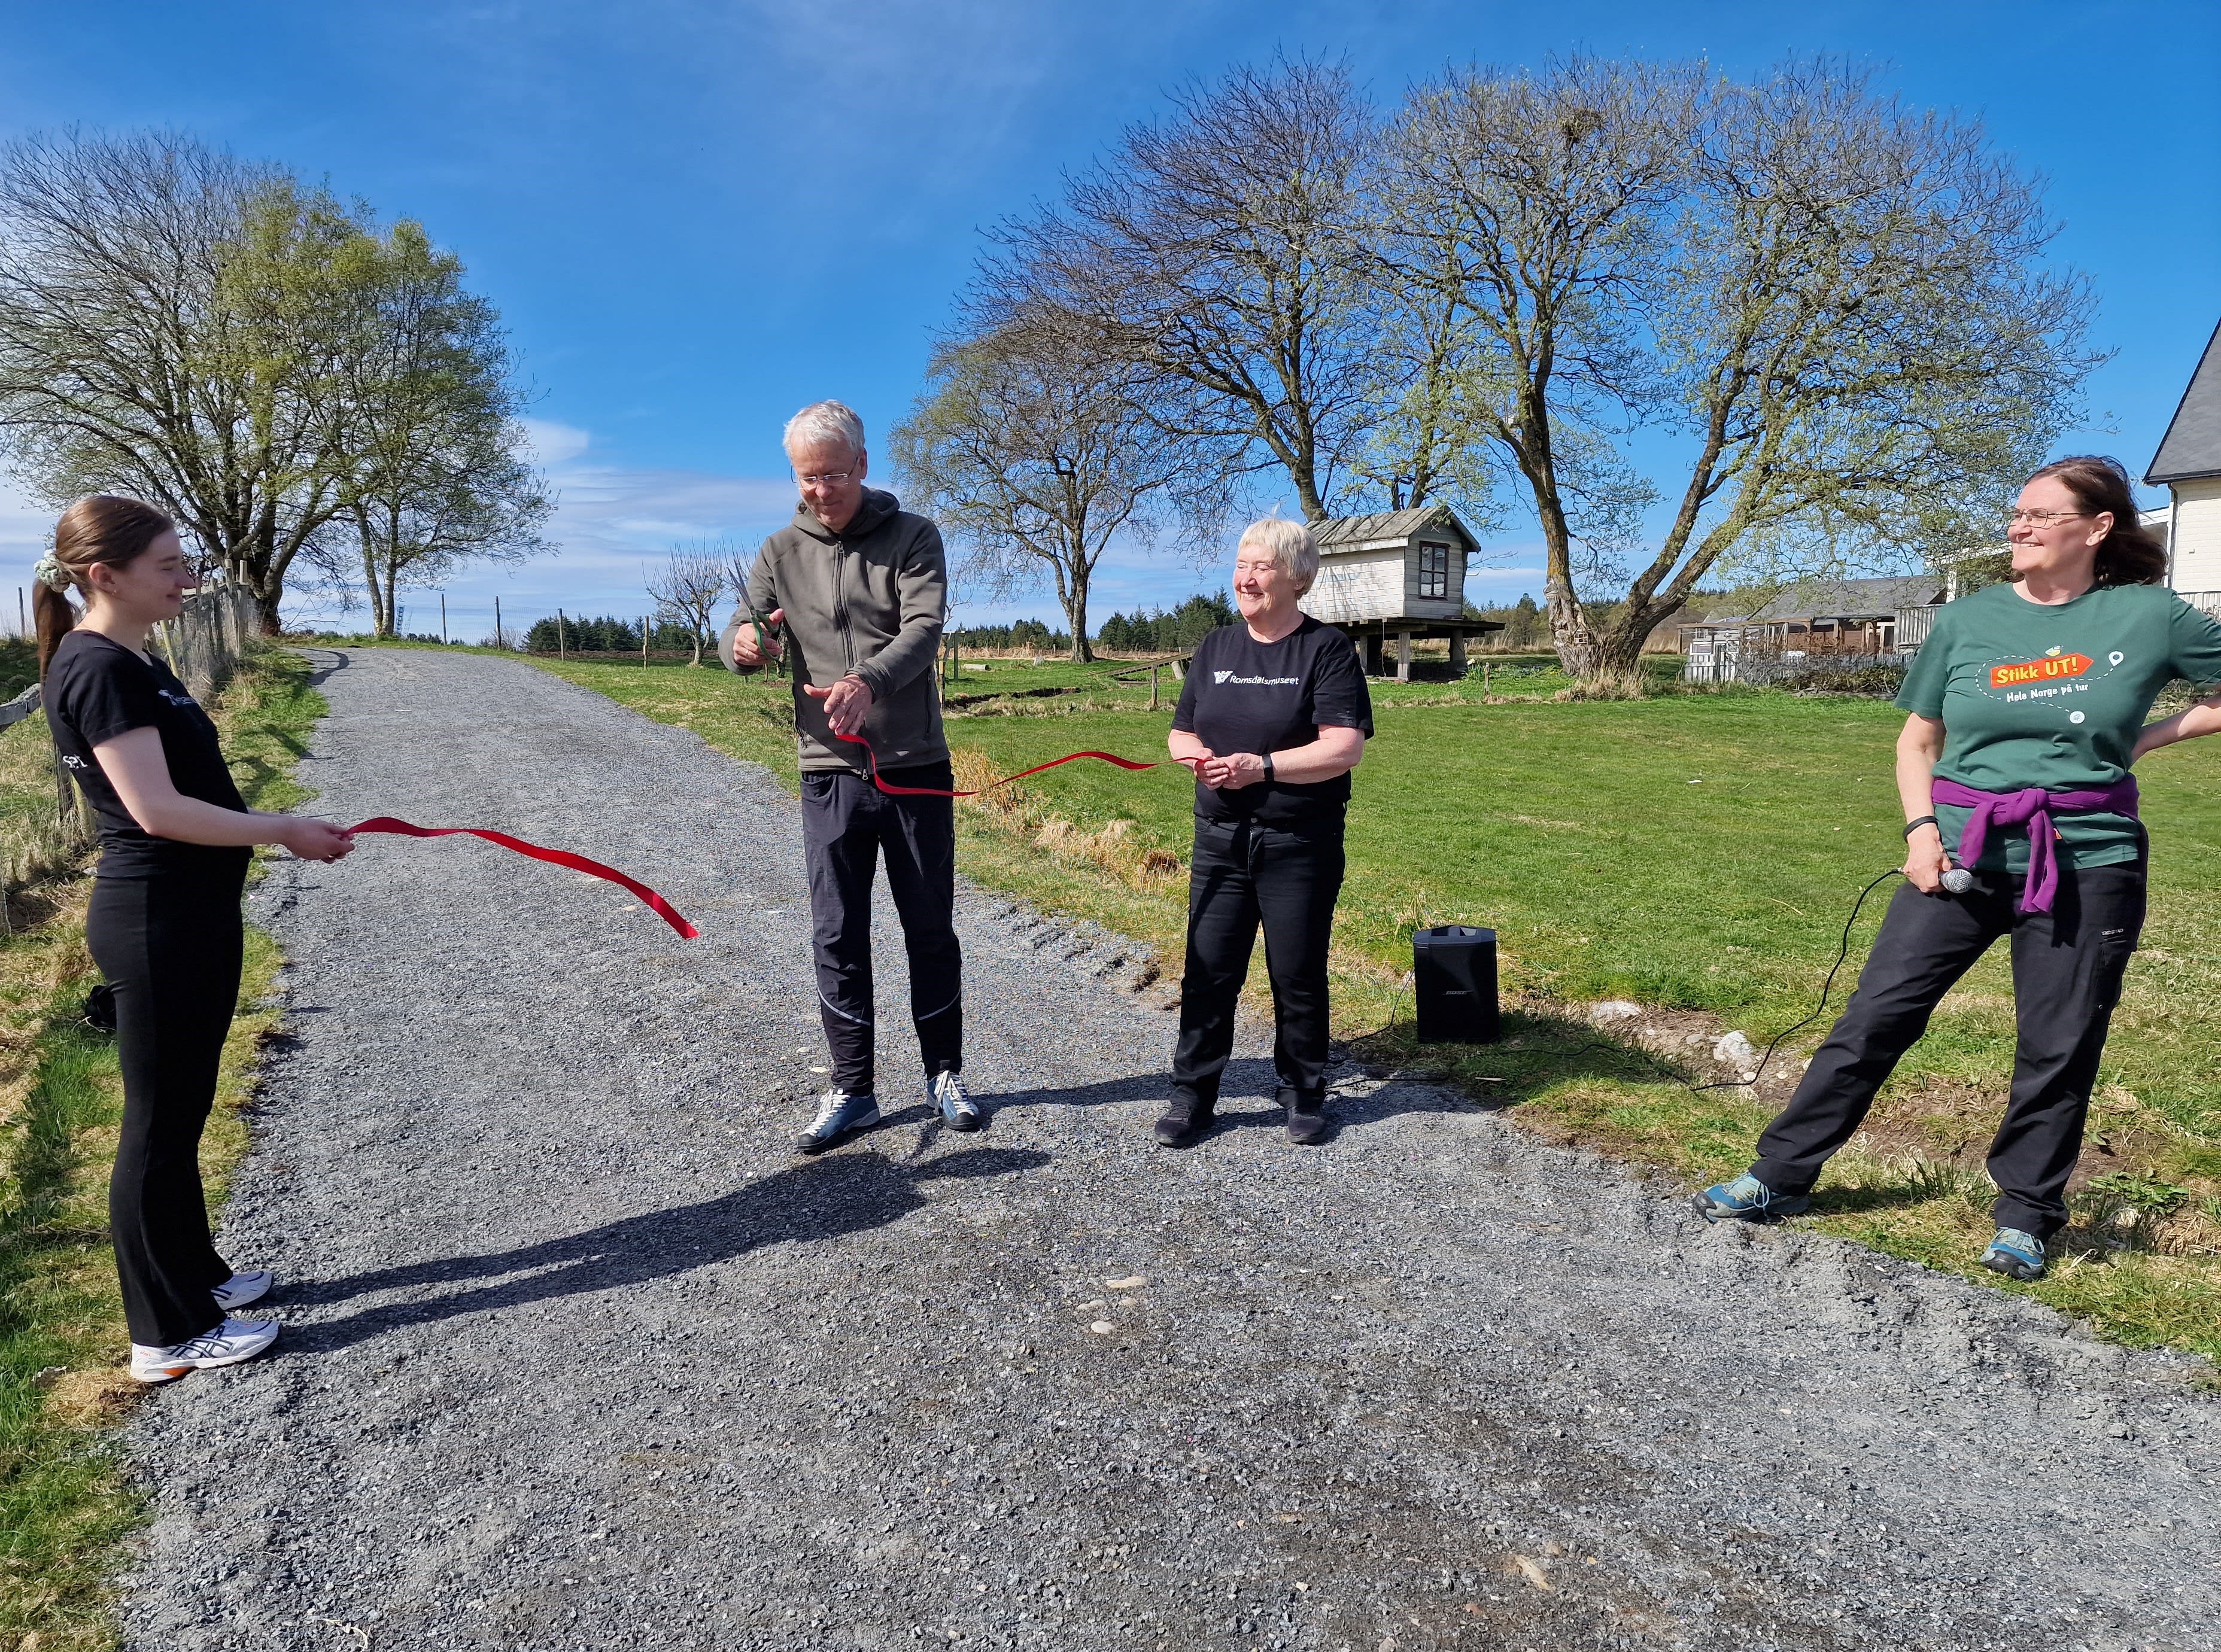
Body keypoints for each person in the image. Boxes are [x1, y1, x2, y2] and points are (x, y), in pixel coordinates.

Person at [1696, 456, 2221, 1280]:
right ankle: (1778, 1175)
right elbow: (1916, 739)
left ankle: (2024, 1215)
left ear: (2095, 528)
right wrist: (1918, 833)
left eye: (2039, 515)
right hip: (1958, 855)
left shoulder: (2147, 616)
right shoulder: (1966, 620)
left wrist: (2148, 738)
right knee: (1874, 1017)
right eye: (2015, 512)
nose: (2016, 526)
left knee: (2057, 1043)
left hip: (2087, 862)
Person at [34, 497, 356, 1383]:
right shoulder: (100, 668)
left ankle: (198, 1277)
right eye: (171, 566)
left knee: (184, 1108)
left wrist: (276, 830)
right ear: (106, 577)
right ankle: (165, 1332)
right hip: (153, 920)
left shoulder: (136, 660)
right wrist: (282, 827)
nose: (189, 578)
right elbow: (156, 810)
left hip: (190, 914)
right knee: (158, 1125)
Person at [721, 401, 977, 1151]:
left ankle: (945, 1075)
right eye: (808, 477)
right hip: (828, 769)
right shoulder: (778, 549)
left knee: (929, 926)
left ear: (863, 466)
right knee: (837, 931)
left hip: (914, 767)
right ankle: (853, 1087)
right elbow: (746, 623)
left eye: (834, 474)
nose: (822, 490)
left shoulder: (913, 537)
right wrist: (744, 644)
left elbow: (924, 628)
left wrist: (867, 679)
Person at [1155, 518, 1372, 1148]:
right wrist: (1195, 755)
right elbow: (1180, 731)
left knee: (1297, 971)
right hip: (1220, 838)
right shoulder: (1217, 648)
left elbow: (1344, 747)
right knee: (1208, 969)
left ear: (1296, 578)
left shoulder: (1326, 650)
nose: (1245, 577)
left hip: (1298, 840)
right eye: (1242, 564)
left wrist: (1264, 767)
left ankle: (1303, 1090)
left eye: (1261, 566)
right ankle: (1193, 1094)